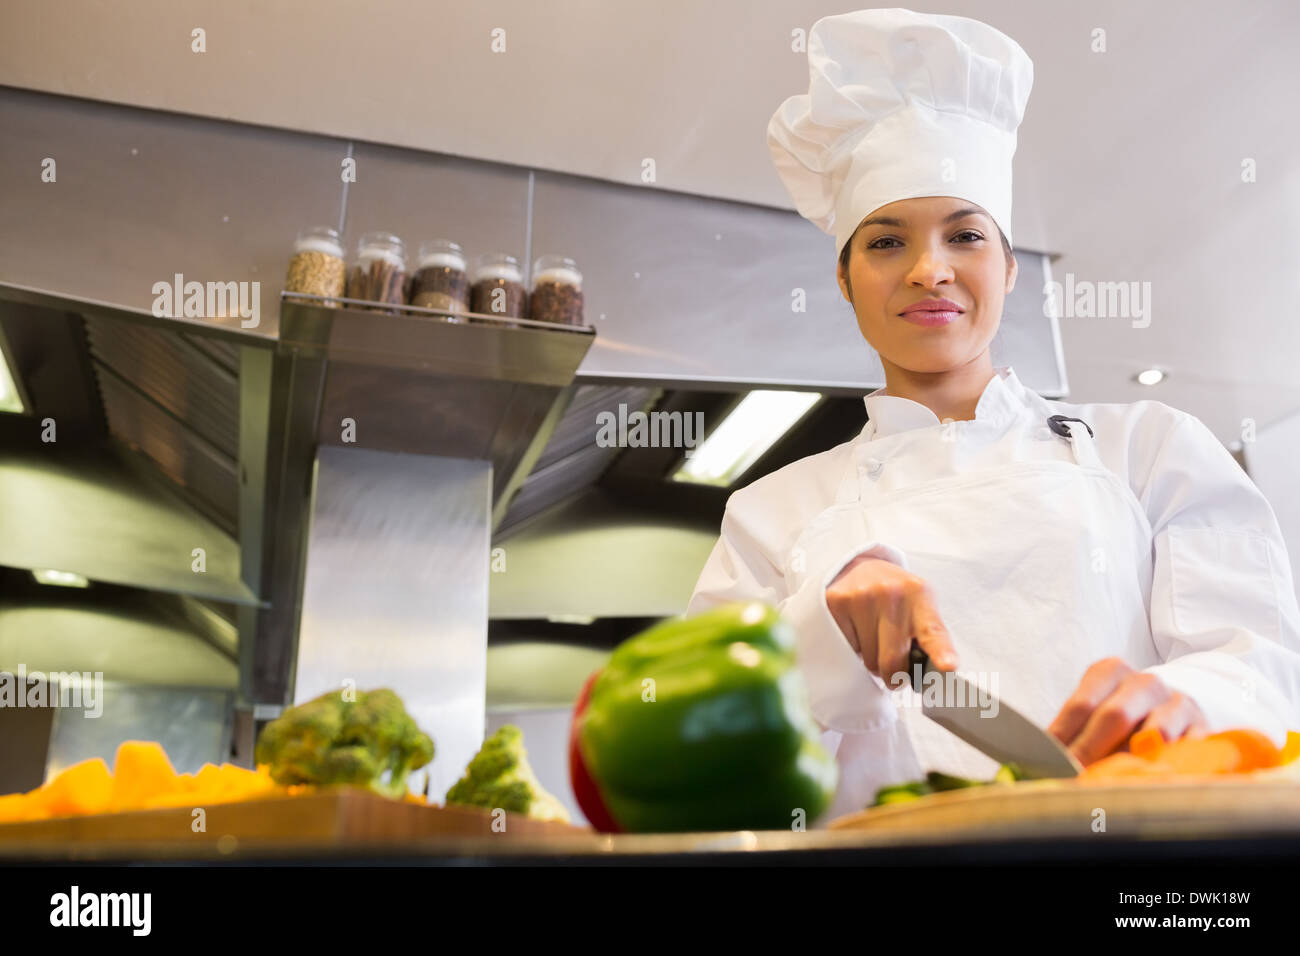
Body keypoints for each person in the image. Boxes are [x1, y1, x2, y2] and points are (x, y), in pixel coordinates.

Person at [686, 8, 1300, 821]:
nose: (929, 270)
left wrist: (1181, 702)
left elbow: (1262, 670)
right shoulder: (769, 513)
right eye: (885, 242)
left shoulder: (1150, 449)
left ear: (1009, 269)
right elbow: (702, 750)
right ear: (843, 279)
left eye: (965, 235)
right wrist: (821, 629)